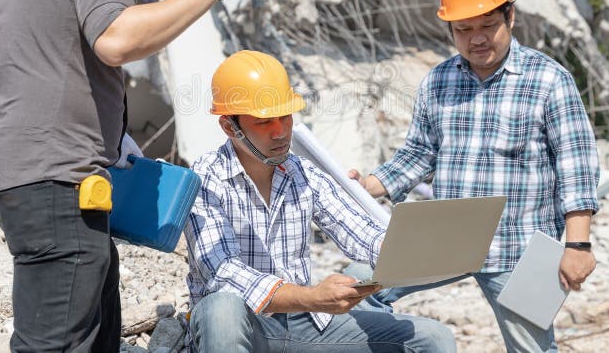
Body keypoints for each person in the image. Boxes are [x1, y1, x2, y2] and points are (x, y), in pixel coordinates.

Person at [0, 0, 259, 352]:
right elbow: (116, 40)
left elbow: (59, 55)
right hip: (51, 174)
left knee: (97, 336)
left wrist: (109, 131)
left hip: (35, 169)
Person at [349, 0, 600, 352]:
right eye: (464, 30)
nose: (477, 38)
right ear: (449, 28)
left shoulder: (549, 80)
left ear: (510, 17)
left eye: (487, 26)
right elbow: (417, 153)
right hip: (445, 240)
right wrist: (367, 185)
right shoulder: (439, 80)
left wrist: (578, 245)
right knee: (356, 287)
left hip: (517, 246)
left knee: (531, 350)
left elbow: (577, 165)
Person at [183, 50, 456, 352]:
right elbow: (223, 272)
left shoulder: (303, 173)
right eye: (263, 122)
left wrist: (404, 250)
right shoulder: (205, 178)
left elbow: (360, 230)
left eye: (285, 116)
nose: (280, 132)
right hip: (243, 325)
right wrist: (311, 297)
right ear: (229, 126)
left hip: (301, 325)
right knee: (221, 308)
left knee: (433, 339)